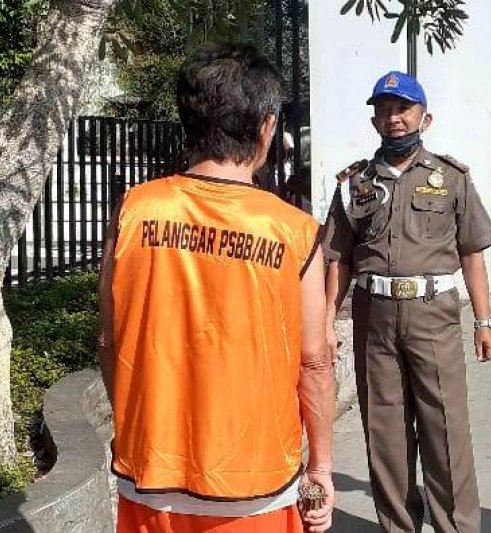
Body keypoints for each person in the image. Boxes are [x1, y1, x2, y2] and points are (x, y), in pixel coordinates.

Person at [97, 43, 334, 533]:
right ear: (267, 127)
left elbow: (110, 341)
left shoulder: (133, 210)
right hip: (255, 483)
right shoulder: (293, 231)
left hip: (148, 473)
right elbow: (314, 359)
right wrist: (321, 468)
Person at [322, 70, 491, 533]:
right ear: (374, 119)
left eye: (403, 109)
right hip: (374, 316)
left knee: (445, 429)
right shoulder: (356, 182)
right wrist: (325, 323)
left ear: (425, 117)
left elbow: (471, 253)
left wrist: (485, 321)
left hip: (433, 316)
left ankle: (456, 527)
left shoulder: (451, 178)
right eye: (384, 109)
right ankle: (398, 526)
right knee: (384, 432)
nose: (393, 118)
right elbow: (338, 258)